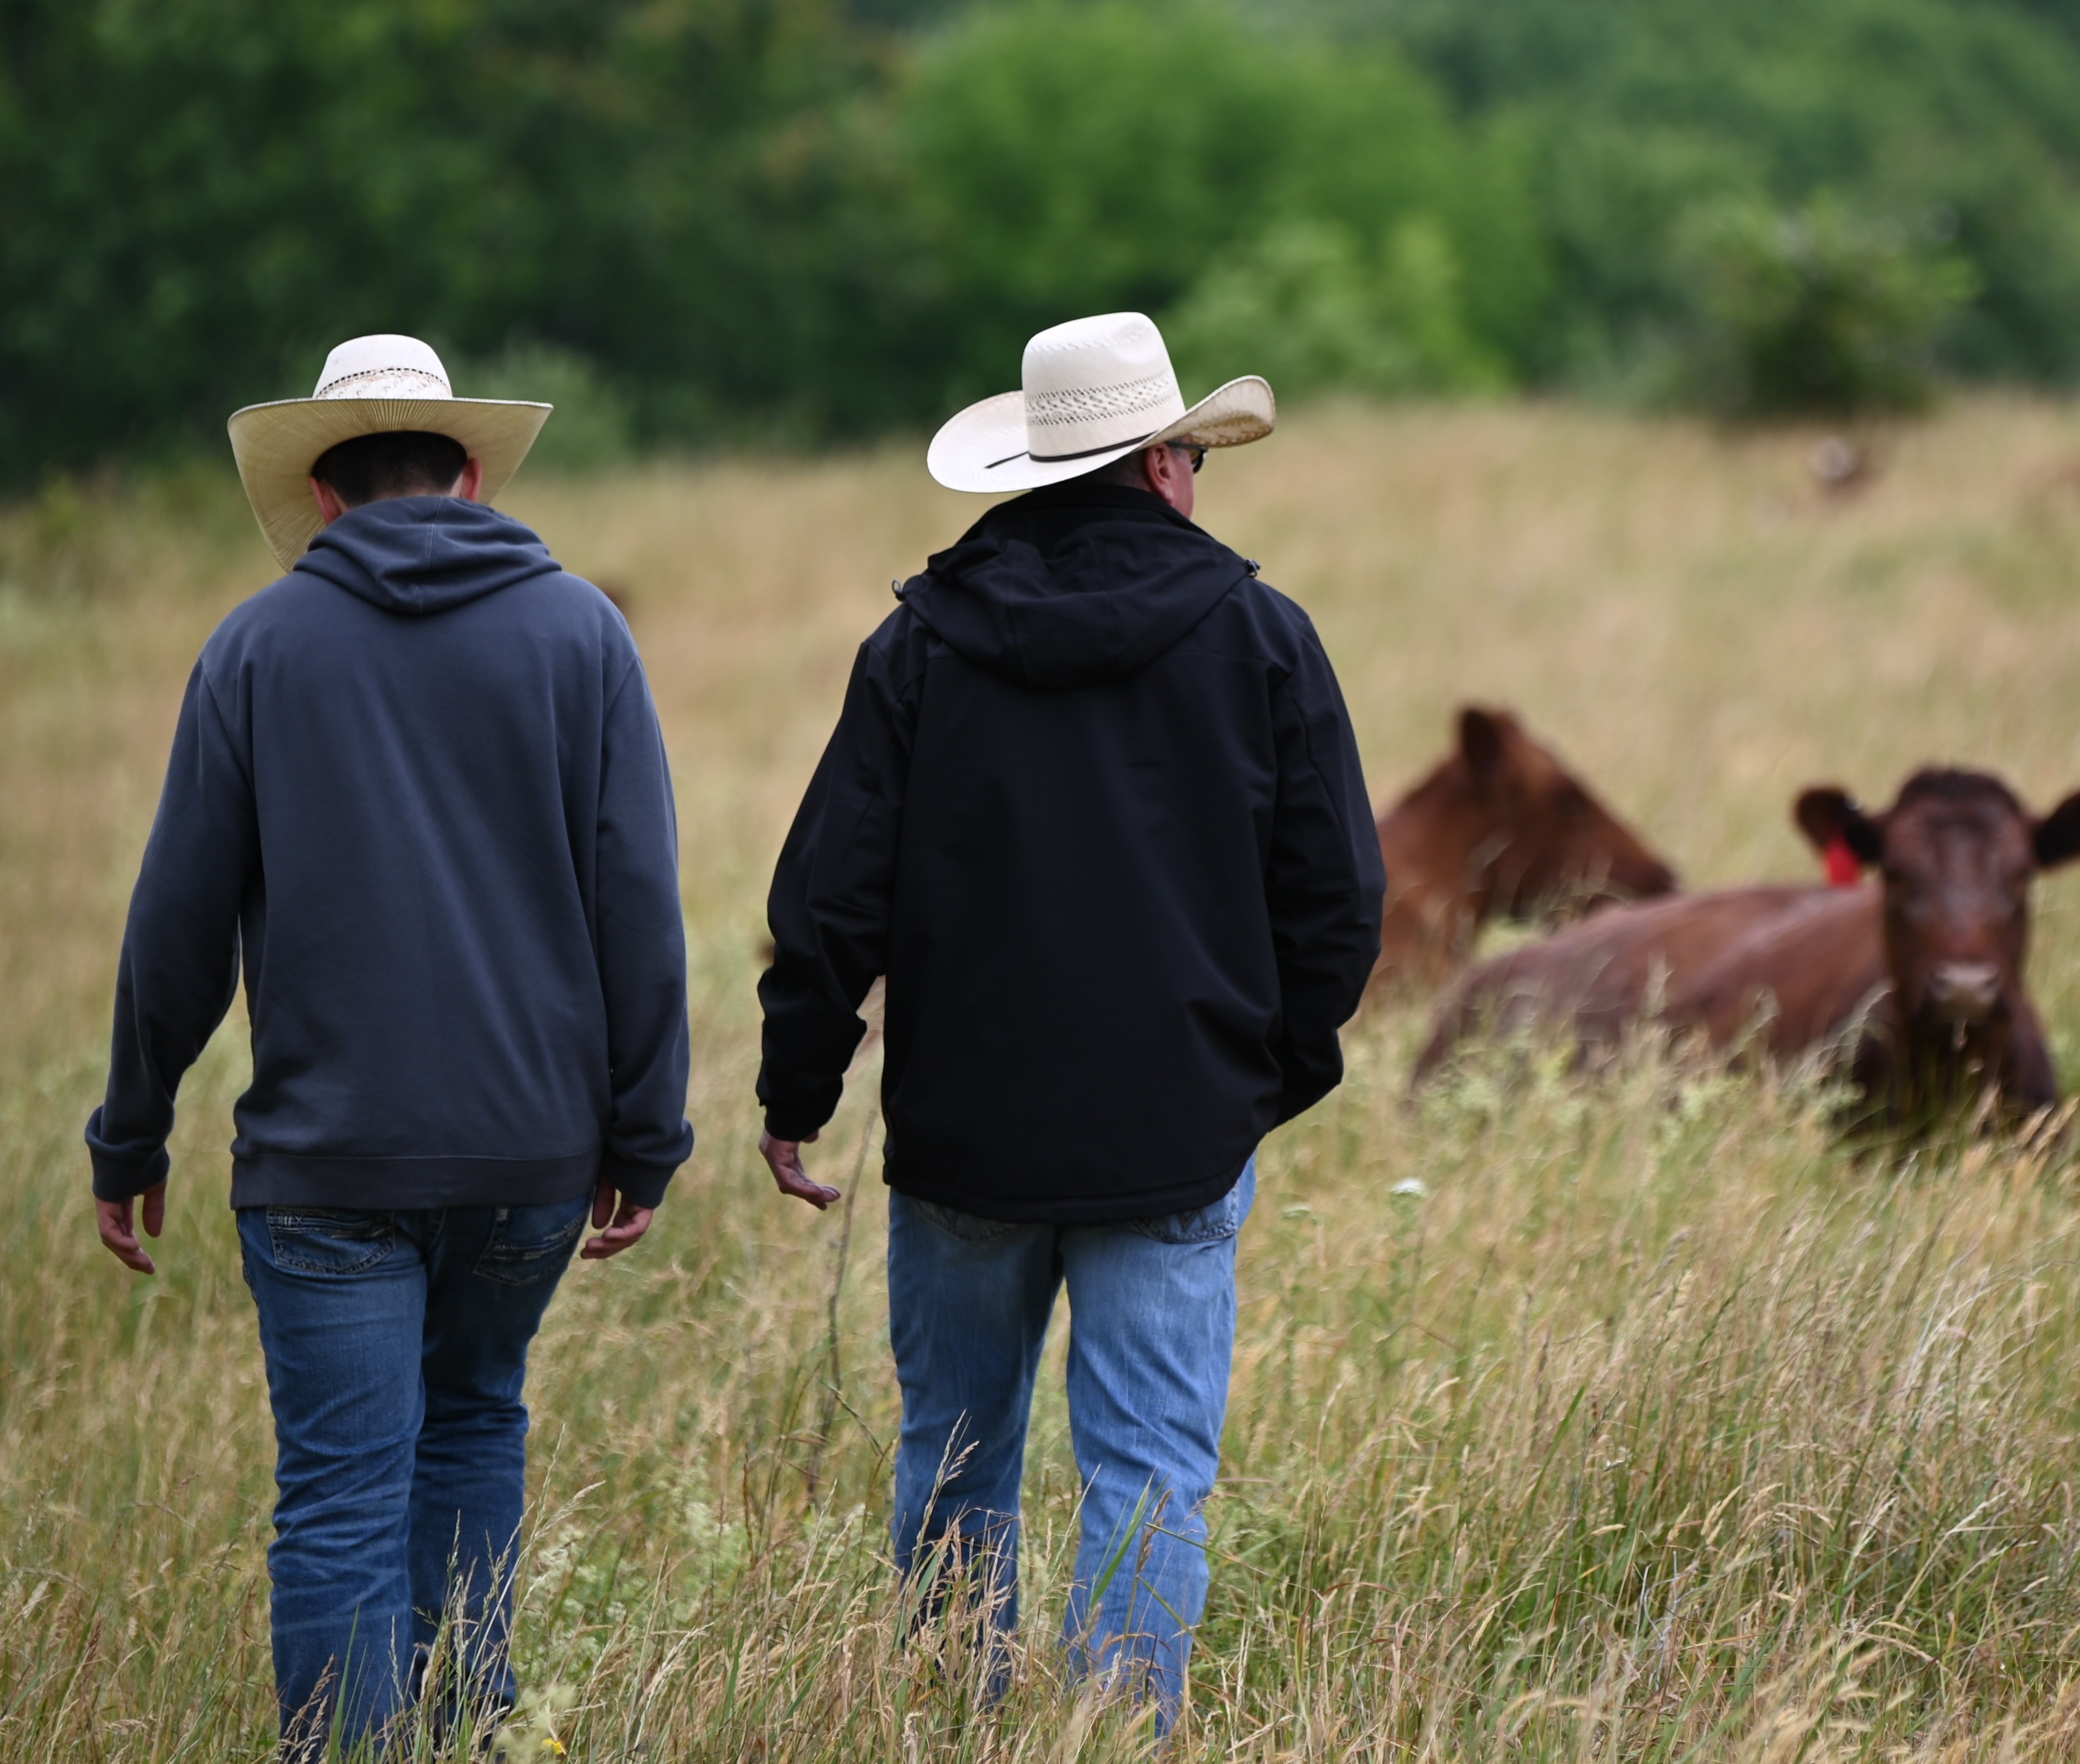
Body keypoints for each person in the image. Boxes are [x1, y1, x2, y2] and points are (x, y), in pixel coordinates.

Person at [755, 311, 1383, 1726]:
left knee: (959, 1450)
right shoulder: (1265, 640)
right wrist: (1255, 1080)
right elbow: (1338, 900)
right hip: (1177, 1130)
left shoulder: (915, 650)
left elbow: (827, 904)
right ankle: (1113, 1743)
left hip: (966, 1134)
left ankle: (956, 1729)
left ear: (1033, 470)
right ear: (1166, 464)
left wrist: (795, 1094)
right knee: (1150, 1466)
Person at [83, 334, 691, 1757]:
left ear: (326, 496)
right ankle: (479, 1735)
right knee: (475, 1421)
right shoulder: (585, 635)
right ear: (472, 473)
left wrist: (131, 1131)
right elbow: (641, 904)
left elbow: (173, 921)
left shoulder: (254, 647)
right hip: (530, 1150)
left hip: (323, 1160)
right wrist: (646, 1135)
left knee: (341, 1497)